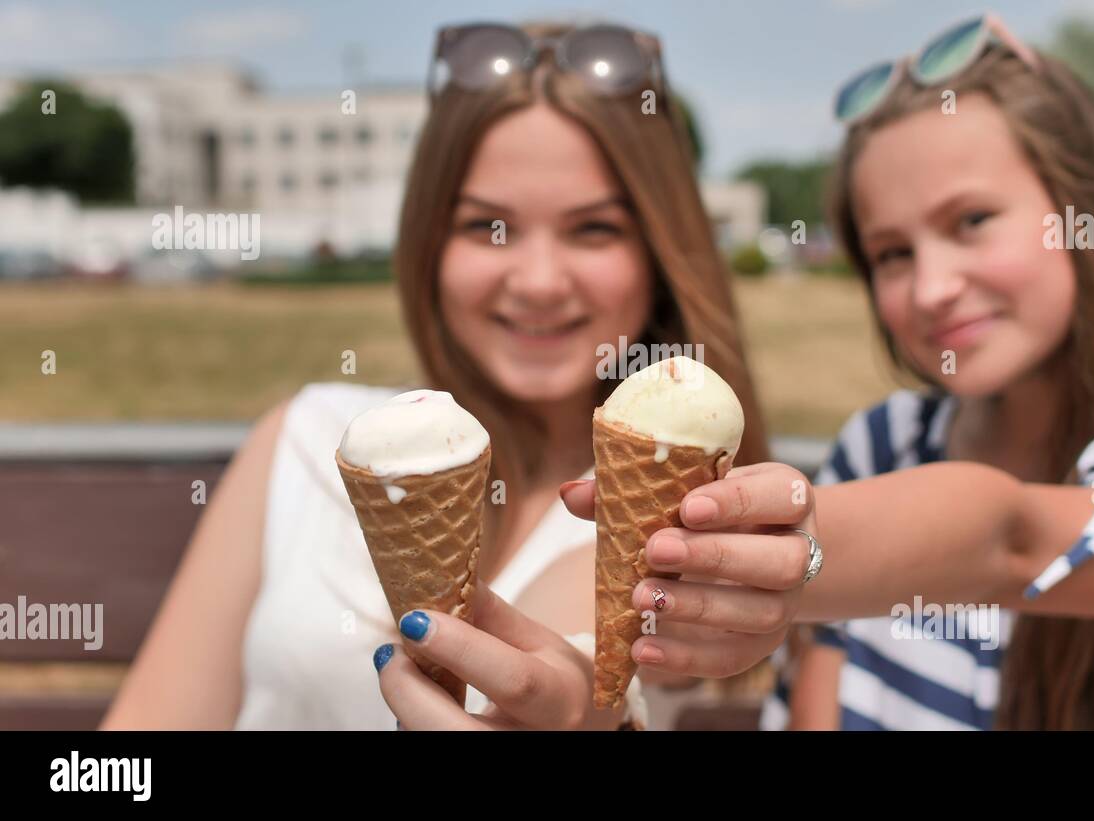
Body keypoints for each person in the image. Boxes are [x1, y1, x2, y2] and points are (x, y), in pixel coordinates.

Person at [561, 14, 1094, 731]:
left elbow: (1008, 540)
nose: (931, 286)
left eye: (971, 220)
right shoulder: (882, 447)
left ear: (1086, 213)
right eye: (892, 253)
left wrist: (800, 550)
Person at [101, 20, 774, 731]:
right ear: (429, 240)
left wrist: (598, 715)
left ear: (661, 253)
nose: (539, 281)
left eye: (594, 229)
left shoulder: (683, 521)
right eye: (489, 227)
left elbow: (584, 686)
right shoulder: (305, 436)